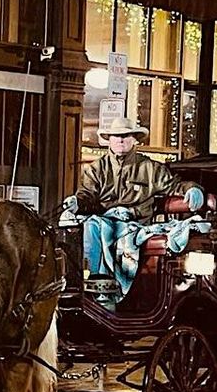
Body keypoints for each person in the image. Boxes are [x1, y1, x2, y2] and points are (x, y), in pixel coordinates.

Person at [62, 116, 204, 298]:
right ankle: (91, 283)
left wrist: (193, 189)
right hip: (104, 220)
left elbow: (176, 185)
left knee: (97, 226)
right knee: (88, 226)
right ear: (109, 140)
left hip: (135, 224)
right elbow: (87, 195)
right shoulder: (96, 169)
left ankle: (105, 287)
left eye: (126, 135)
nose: (120, 140)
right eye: (116, 136)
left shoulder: (151, 168)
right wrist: (77, 203)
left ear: (134, 139)